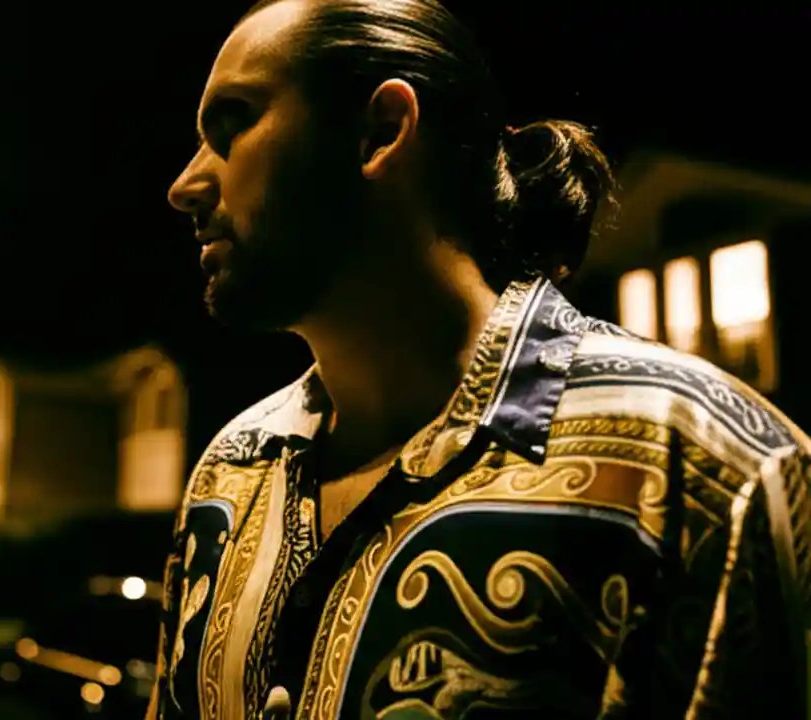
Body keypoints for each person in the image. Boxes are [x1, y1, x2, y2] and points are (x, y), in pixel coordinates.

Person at [150, 0, 811, 718]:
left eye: (233, 125)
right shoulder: (228, 476)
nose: (184, 186)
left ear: (380, 131)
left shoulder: (699, 467)